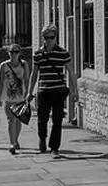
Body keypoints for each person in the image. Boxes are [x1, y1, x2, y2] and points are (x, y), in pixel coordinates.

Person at [26, 24, 77, 157]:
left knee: (57, 120)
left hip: (58, 90)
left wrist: (74, 91)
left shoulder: (63, 53)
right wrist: (29, 92)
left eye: (51, 37)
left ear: (56, 37)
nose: (48, 40)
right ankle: (42, 139)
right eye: (46, 37)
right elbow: (34, 74)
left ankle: (54, 148)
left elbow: (71, 72)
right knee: (42, 120)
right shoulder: (38, 54)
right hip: (43, 91)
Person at [0, 43, 29, 154]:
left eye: (16, 52)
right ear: (8, 53)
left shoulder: (24, 64)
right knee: (10, 120)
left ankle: (16, 139)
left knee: (18, 120)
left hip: (20, 96)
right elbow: (0, 82)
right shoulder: (3, 65)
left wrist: (28, 94)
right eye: (11, 52)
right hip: (8, 96)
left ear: (20, 53)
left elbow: (27, 80)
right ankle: (12, 143)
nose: (13, 54)